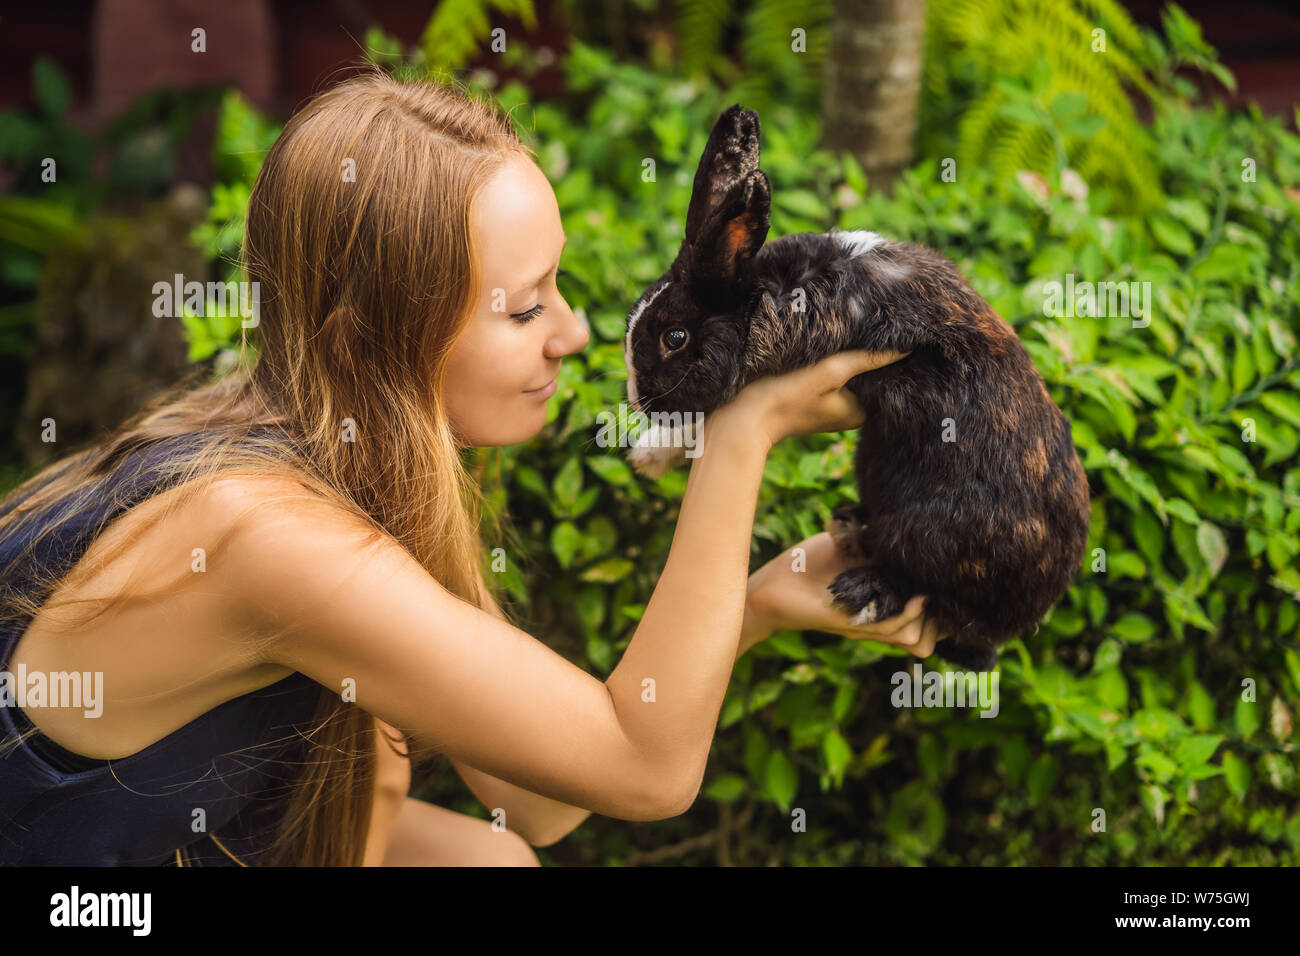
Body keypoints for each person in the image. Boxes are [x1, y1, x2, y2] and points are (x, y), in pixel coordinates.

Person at [0, 69, 942, 867]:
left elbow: (535, 801)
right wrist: (744, 426)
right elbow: (646, 768)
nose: (573, 333)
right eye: (526, 307)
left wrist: (762, 601)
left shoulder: (345, 453)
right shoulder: (266, 537)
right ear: (376, 337)